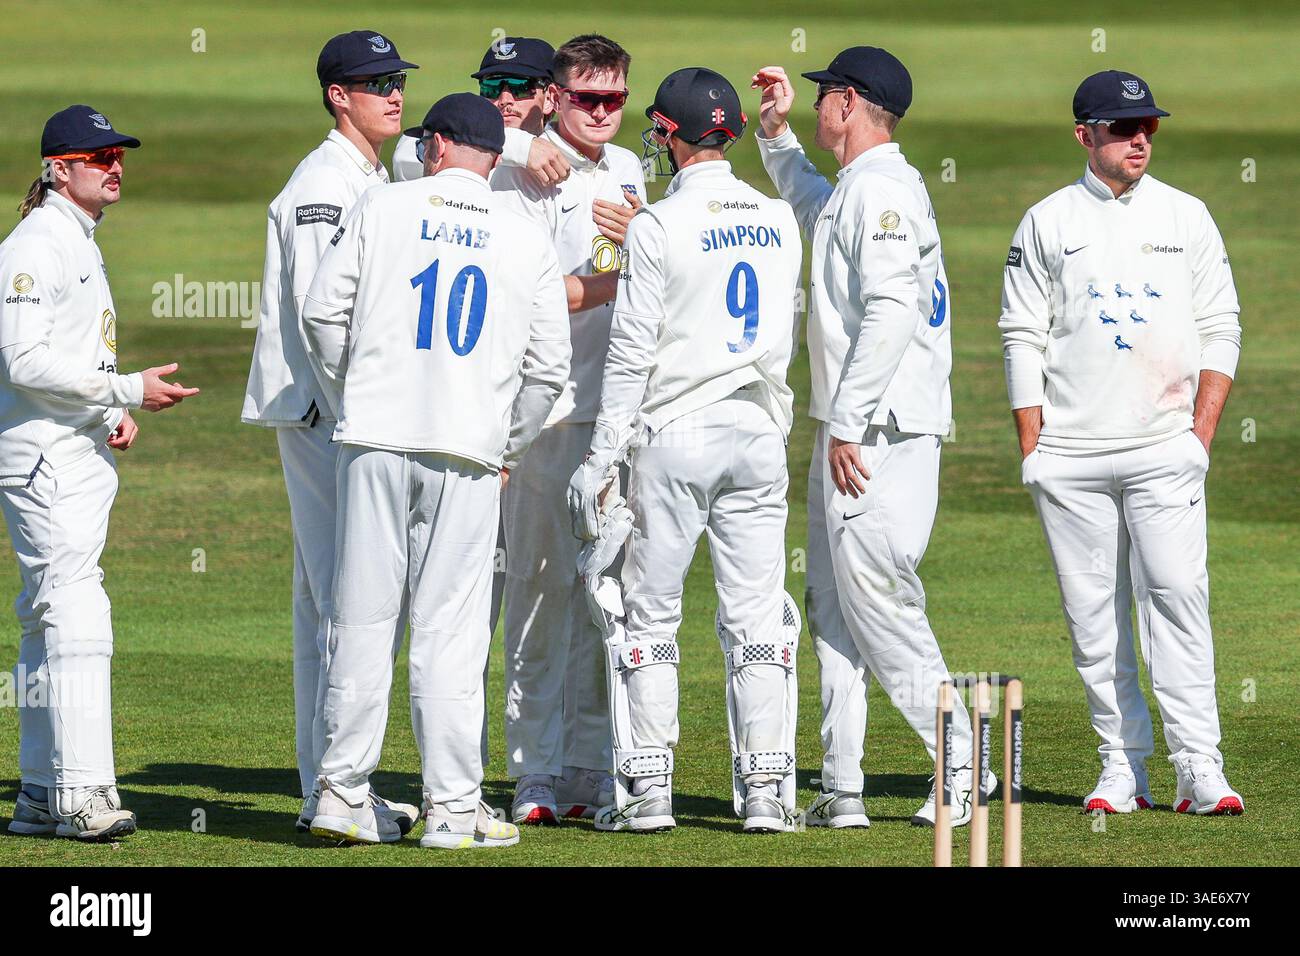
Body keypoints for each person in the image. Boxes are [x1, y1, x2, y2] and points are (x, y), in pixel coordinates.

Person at [301, 94, 571, 848]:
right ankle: (454, 809)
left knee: (361, 618)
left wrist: (351, 397)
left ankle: (341, 793)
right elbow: (549, 370)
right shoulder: (524, 237)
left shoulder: (382, 206)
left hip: (375, 439)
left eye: (427, 142)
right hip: (469, 450)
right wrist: (507, 442)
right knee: (450, 631)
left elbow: (322, 316)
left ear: (444, 146)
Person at [752, 49, 990, 829]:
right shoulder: (866, 187)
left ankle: (970, 760)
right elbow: (818, 209)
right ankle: (843, 787)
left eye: (824, 95)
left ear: (849, 103)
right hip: (856, 427)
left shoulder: (882, 192)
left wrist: (849, 421)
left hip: (879, 432)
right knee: (835, 607)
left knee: (880, 600)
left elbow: (890, 310)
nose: (820, 104)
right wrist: (779, 137)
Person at [1000, 70, 1244, 816]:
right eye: (1120, 128)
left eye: (1148, 127)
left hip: (1164, 448)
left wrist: (1198, 437)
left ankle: (1199, 767)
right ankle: (1121, 765)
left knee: (1175, 597)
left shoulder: (1187, 216)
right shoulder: (1047, 221)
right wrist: (1034, 452)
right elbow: (1021, 336)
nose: (1138, 139)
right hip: (1070, 457)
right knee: (1094, 615)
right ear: (1085, 136)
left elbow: (1221, 328)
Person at [568, 68, 803, 833]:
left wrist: (602, 455)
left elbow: (630, 354)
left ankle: (647, 794)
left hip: (676, 434)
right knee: (757, 618)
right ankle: (766, 795)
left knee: (649, 617)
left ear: (668, 136)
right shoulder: (777, 218)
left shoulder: (657, 226)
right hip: (760, 432)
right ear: (731, 131)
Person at [240, 29, 421, 834]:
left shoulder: (365, 173)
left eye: (396, 80)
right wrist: (367, 415)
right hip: (327, 416)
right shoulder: (325, 185)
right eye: (373, 82)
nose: (393, 92)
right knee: (345, 601)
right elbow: (325, 323)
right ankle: (332, 790)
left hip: (334, 414)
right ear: (335, 95)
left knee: (333, 603)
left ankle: (332, 784)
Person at [0, 105, 198, 840]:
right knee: (77, 614)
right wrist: (122, 389)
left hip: (66, 446)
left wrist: (106, 409)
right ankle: (81, 795)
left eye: (118, 156)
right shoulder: (37, 244)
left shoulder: (74, 237)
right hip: (44, 459)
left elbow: (68, 353)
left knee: (46, 614)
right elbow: (22, 361)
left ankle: (42, 793)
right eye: (96, 158)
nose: (114, 167)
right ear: (58, 168)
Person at [491, 34, 646, 826]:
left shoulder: (628, 172)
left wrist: (647, 241)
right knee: (538, 594)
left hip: (614, 417)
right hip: (542, 415)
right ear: (554, 97)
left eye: (615, 99)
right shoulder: (522, 169)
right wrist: (621, 274)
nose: (602, 113)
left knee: (603, 598)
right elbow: (526, 297)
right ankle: (534, 777)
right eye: (587, 98)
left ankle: (589, 770)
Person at [392, 36, 571, 189]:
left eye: (520, 87)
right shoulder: (505, 148)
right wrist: (520, 147)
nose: (504, 99)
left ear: (549, 99)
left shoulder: (572, 153)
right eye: (491, 87)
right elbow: (406, 154)